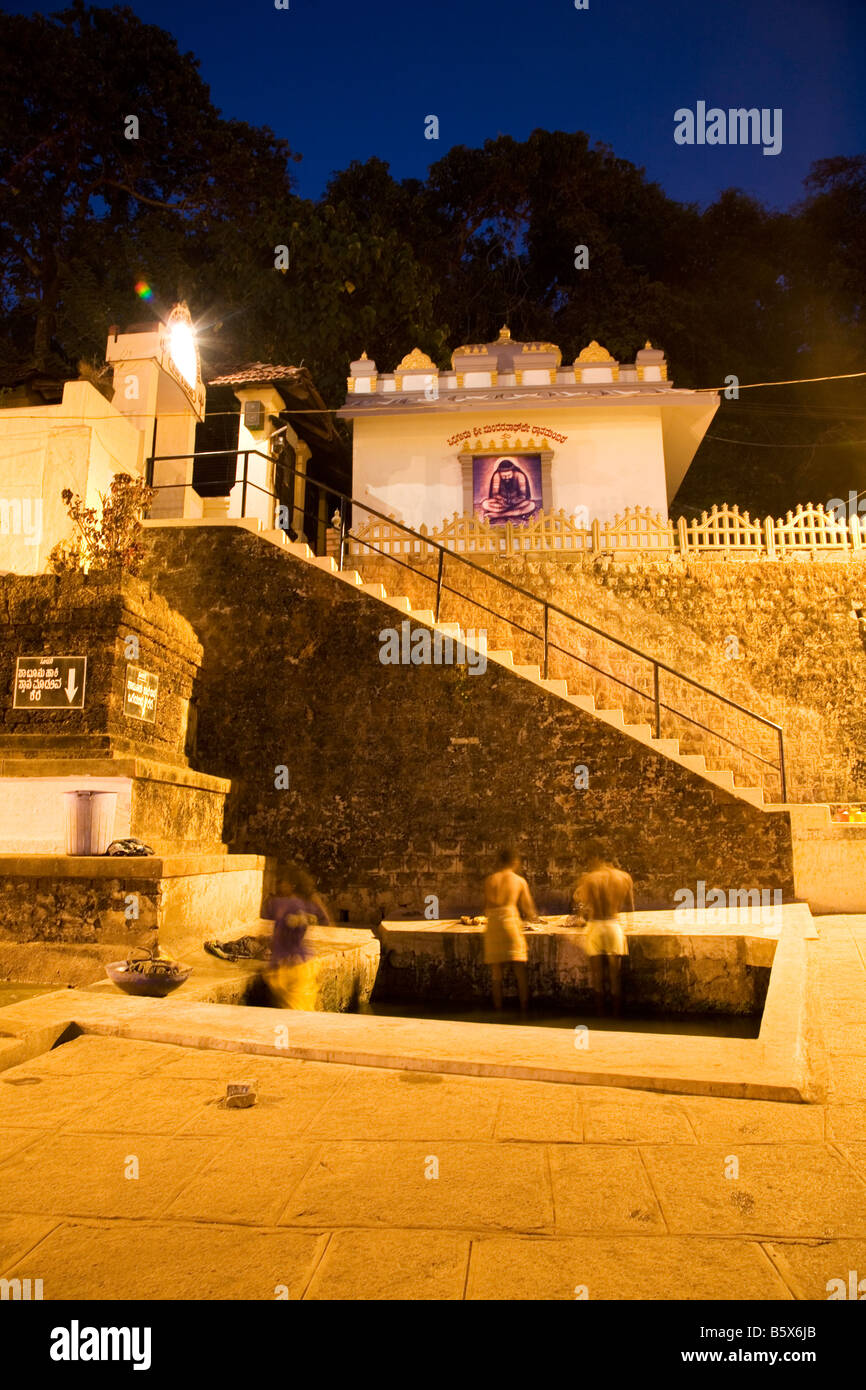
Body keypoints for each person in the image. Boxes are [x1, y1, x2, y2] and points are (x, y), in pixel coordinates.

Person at [574, 842, 634, 1017]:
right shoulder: (624, 878)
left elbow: (583, 908)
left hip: (596, 926)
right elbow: (630, 909)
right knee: (615, 976)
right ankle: (616, 1017)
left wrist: (581, 919)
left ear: (595, 858)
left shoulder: (589, 879)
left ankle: (600, 1017)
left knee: (597, 977)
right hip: (614, 926)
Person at [263, 866, 331, 1010]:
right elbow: (326, 919)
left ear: (292, 885)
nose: (279, 885)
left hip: (290, 969)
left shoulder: (282, 904)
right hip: (304, 966)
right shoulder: (306, 905)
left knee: (293, 1015)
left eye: (282, 882)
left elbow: (268, 911)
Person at [482, 848, 538, 1012]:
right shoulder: (519, 881)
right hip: (509, 921)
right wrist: (535, 918)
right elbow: (528, 909)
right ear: (514, 862)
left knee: (496, 973)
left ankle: (498, 1010)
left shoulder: (490, 880)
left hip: (493, 925)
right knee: (519, 970)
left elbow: (486, 907)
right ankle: (524, 1010)